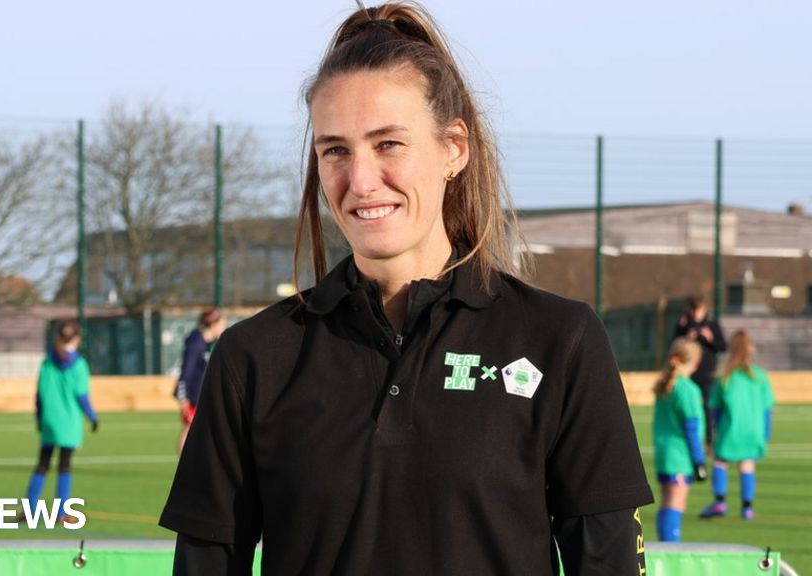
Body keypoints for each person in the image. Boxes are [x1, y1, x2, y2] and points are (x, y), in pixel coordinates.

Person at [161, 3, 653, 574]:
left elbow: (610, 561)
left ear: (454, 149)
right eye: (335, 150)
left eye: (388, 143)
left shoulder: (558, 339)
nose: (361, 181)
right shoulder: (255, 357)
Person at [22, 320, 97, 522]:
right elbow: (82, 395)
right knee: (65, 465)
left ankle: (28, 510)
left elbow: (39, 395)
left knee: (42, 463)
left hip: (49, 420)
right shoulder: (79, 364)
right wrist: (92, 416)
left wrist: (39, 418)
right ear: (77, 339)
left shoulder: (47, 361)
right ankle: (61, 512)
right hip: (69, 422)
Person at [699, 330, 774, 521]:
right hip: (754, 431)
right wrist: (765, 433)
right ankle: (747, 508)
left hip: (731, 430)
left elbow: (714, 409)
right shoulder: (760, 376)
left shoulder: (724, 377)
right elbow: (767, 410)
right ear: (750, 349)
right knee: (747, 465)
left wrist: (712, 434)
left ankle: (720, 502)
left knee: (720, 462)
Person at [652, 337, 708, 542]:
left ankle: (666, 545)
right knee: (676, 505)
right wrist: (699, 460)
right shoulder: (688, 389)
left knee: (667, 503)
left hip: (665, 454)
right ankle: (671, 549)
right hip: (680, 456)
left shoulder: (665, 385)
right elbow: (691, 427)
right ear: (695, 361)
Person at [674, 295, 727, 444]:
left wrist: (710, 339)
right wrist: (686, 337)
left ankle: (709, 440)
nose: (695, 313)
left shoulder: (711, 324)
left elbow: (722, 346)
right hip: (688, 375)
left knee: (708, 408)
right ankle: (689, 438)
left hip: (707, 373)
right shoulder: (684, 324)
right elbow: (674, 346)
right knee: (689, 408)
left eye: (698, 310)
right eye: (693, 310)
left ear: (704, 309)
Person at [175, 308, 227, 454]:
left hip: (199, 395)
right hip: (191, 397)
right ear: (213, 324)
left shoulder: (204, 343)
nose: (224, 328)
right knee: (189, 429)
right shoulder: (196, 343)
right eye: (222, 324)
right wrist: (183, 397)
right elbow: (186, 371)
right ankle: (184, 465)